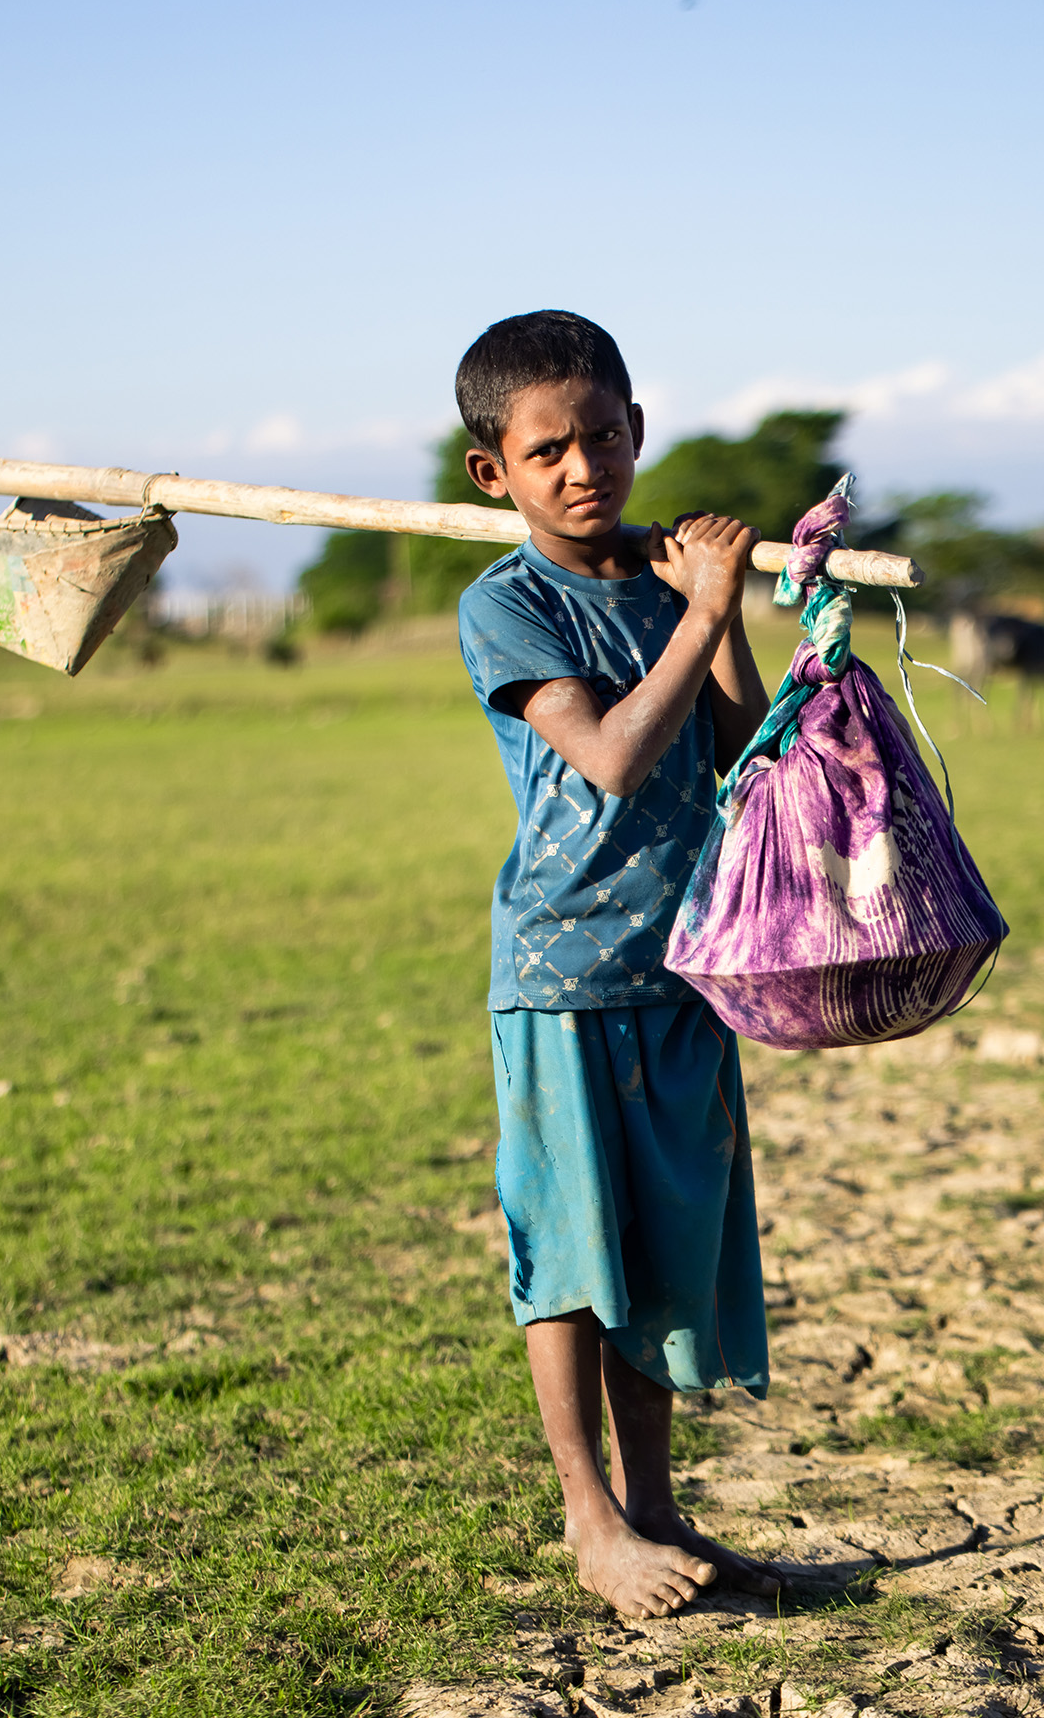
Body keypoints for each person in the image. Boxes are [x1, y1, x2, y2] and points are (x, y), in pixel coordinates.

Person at [450, 310, 783, 1620]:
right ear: (497, 475)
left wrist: (725, 612)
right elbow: (614, 756)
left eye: (602, 437)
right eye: (549, 452)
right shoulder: (506, 605)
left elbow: (741, 747)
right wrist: (699, 610)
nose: (582, 468)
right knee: (574, 1255)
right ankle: (590, 1521)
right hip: (562, 972)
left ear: (638, 431)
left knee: (660, 1255)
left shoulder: (666, 589)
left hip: (682, 967)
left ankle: (658, 1510)